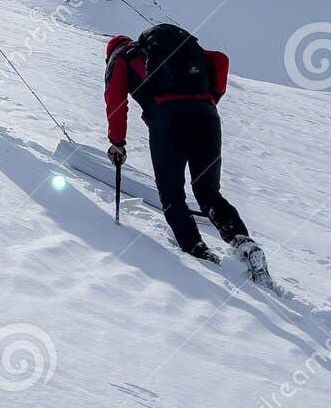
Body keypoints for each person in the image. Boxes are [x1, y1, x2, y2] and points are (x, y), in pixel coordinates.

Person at [104, 24, 255, 263]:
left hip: (168, 119)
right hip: (207, 116)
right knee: (208, 192)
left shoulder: (121, 57)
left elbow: (116, 102)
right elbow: (220, 60)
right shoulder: (174, 50)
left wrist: (117, 143)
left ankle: (200, 253)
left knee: (172, 195)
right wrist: (208, 102)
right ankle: (244, 245)